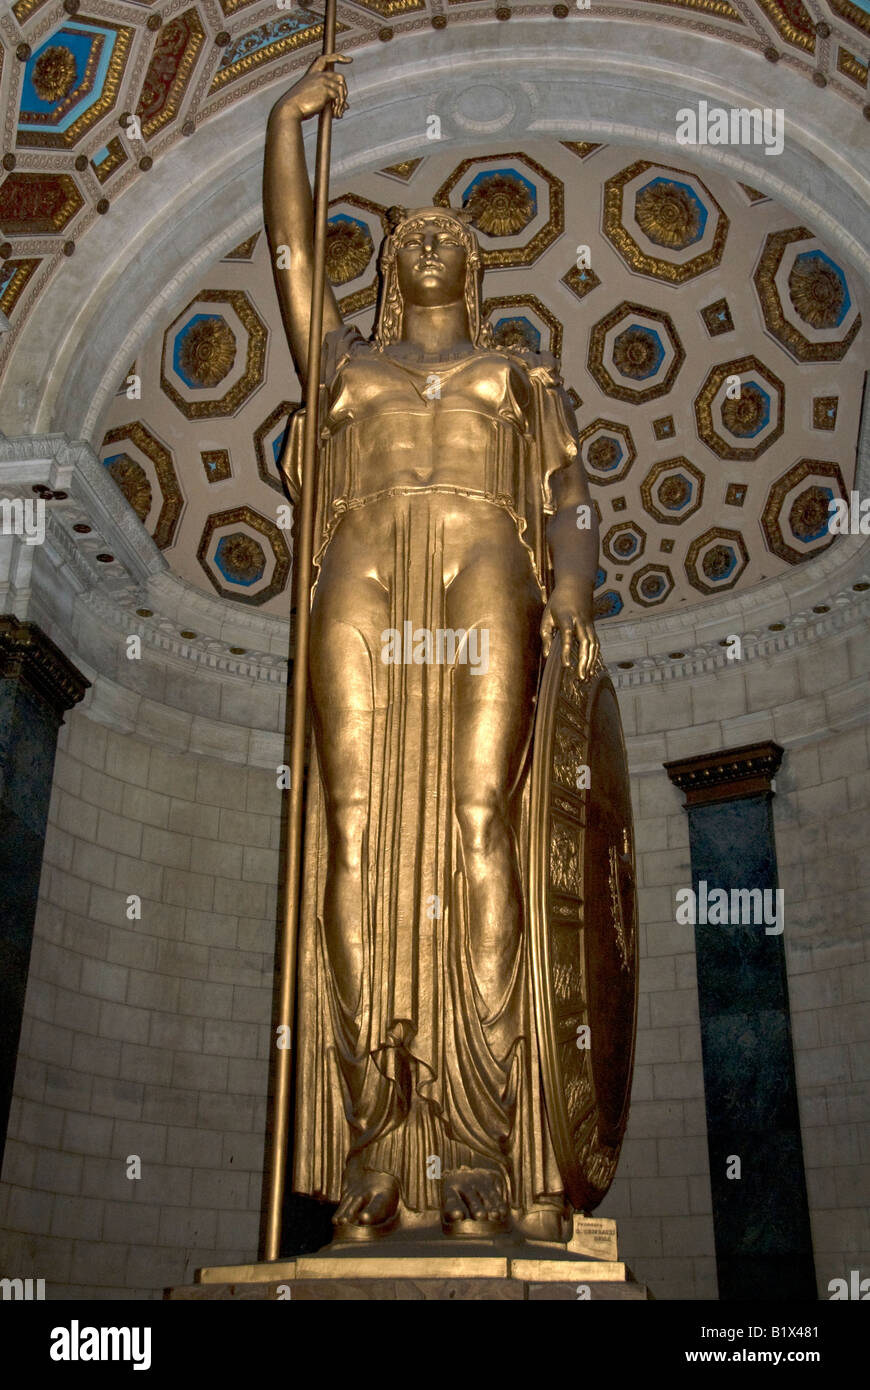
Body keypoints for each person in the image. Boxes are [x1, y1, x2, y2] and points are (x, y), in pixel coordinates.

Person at [264, 54, 600, 1241]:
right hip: (362, 558)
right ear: (390, 270)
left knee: (477, 819)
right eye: (405, 234)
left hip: (485, 560)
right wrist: (283, 122)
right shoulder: (347, 367)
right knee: (352, 829)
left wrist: (570, 587)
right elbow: (293, 260)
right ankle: (374, 1127)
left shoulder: (519, 370)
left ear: (477, 261)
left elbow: (570, 495)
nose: (423, 241)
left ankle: (474, 1132)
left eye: (444, 232)